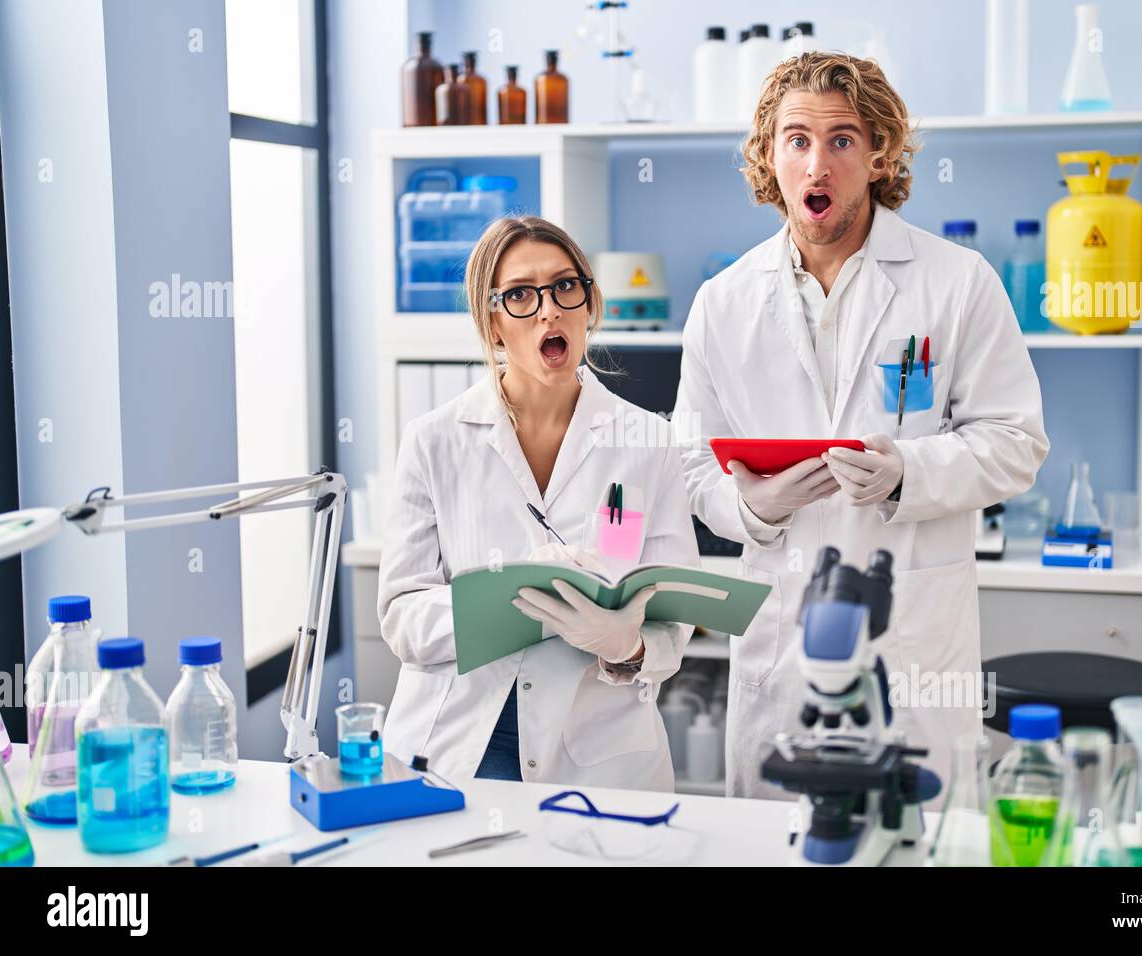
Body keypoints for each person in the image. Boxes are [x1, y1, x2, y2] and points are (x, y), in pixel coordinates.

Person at [673, 52, 1049, 798]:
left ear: (879, 154)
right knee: (777, 841)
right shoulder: (722, 302)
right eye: (798, 140)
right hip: (780, 638)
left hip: (909, 636)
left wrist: (910, 472)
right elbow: (689, 463)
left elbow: (1016, 442)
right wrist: (752, 507)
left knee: (913, 832)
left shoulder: (956, 281)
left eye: (843, 140)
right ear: (768, 155)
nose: (819, 163)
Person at [379, 215, 699, 791]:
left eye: (564, 287)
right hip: (459, 746)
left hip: (600, 757)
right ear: (492, 322)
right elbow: (402, 617)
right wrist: (517, 603)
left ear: (588, 304)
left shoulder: (650, 440)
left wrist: (625, 645)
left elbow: (676, 615)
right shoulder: (435, 440)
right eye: (521, 295)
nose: (548, 309)